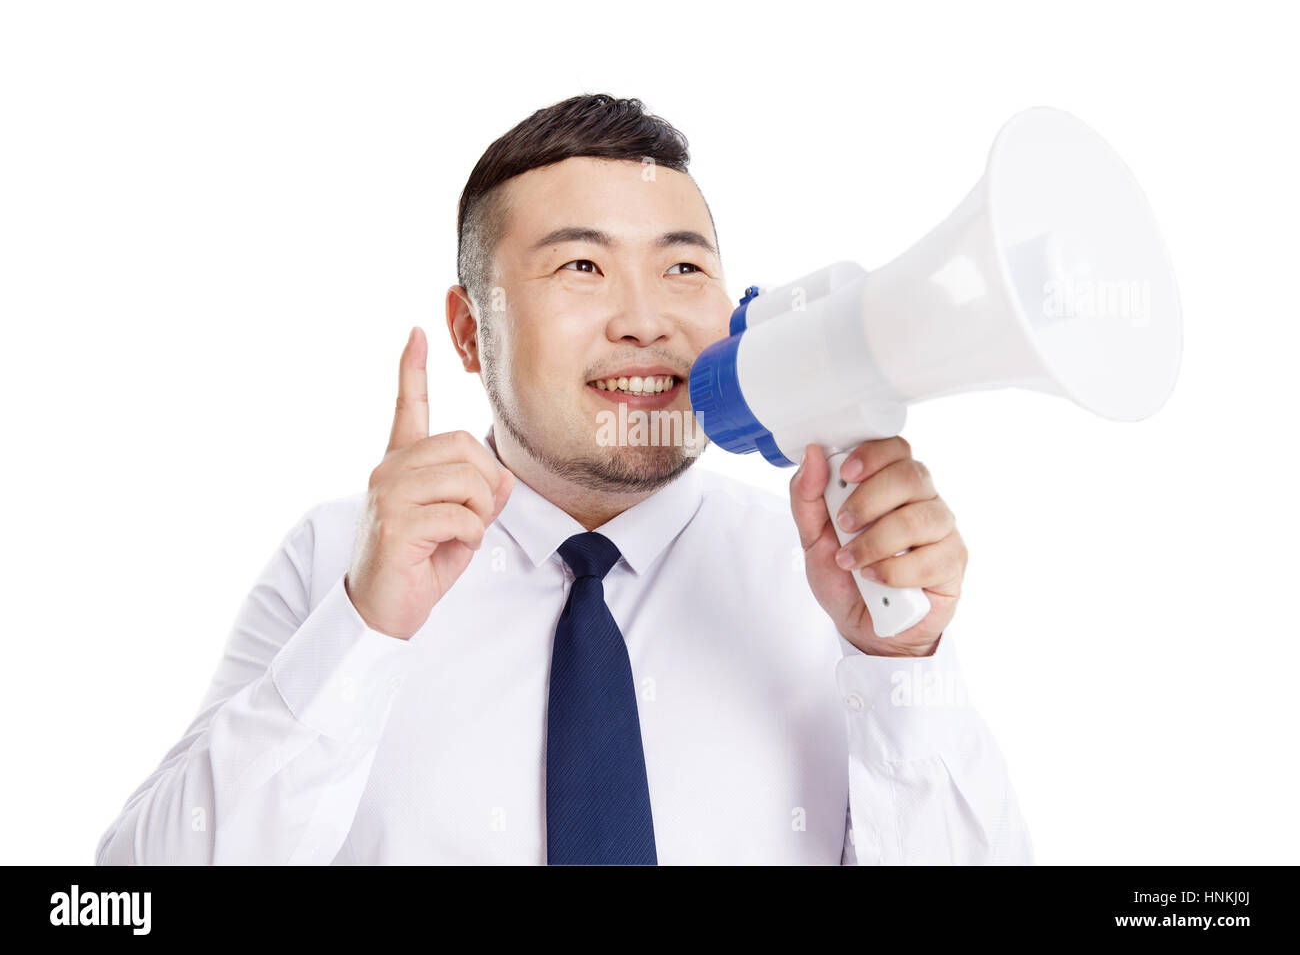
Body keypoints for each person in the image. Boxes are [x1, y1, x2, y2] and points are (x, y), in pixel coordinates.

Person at [96, 93, 1032, 865]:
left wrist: (901, 670)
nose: (646, 319)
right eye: (582, 265)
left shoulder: (827, 579)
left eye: (683, 267)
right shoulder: (339, 563)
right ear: (471, 331)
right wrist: (362, 630)